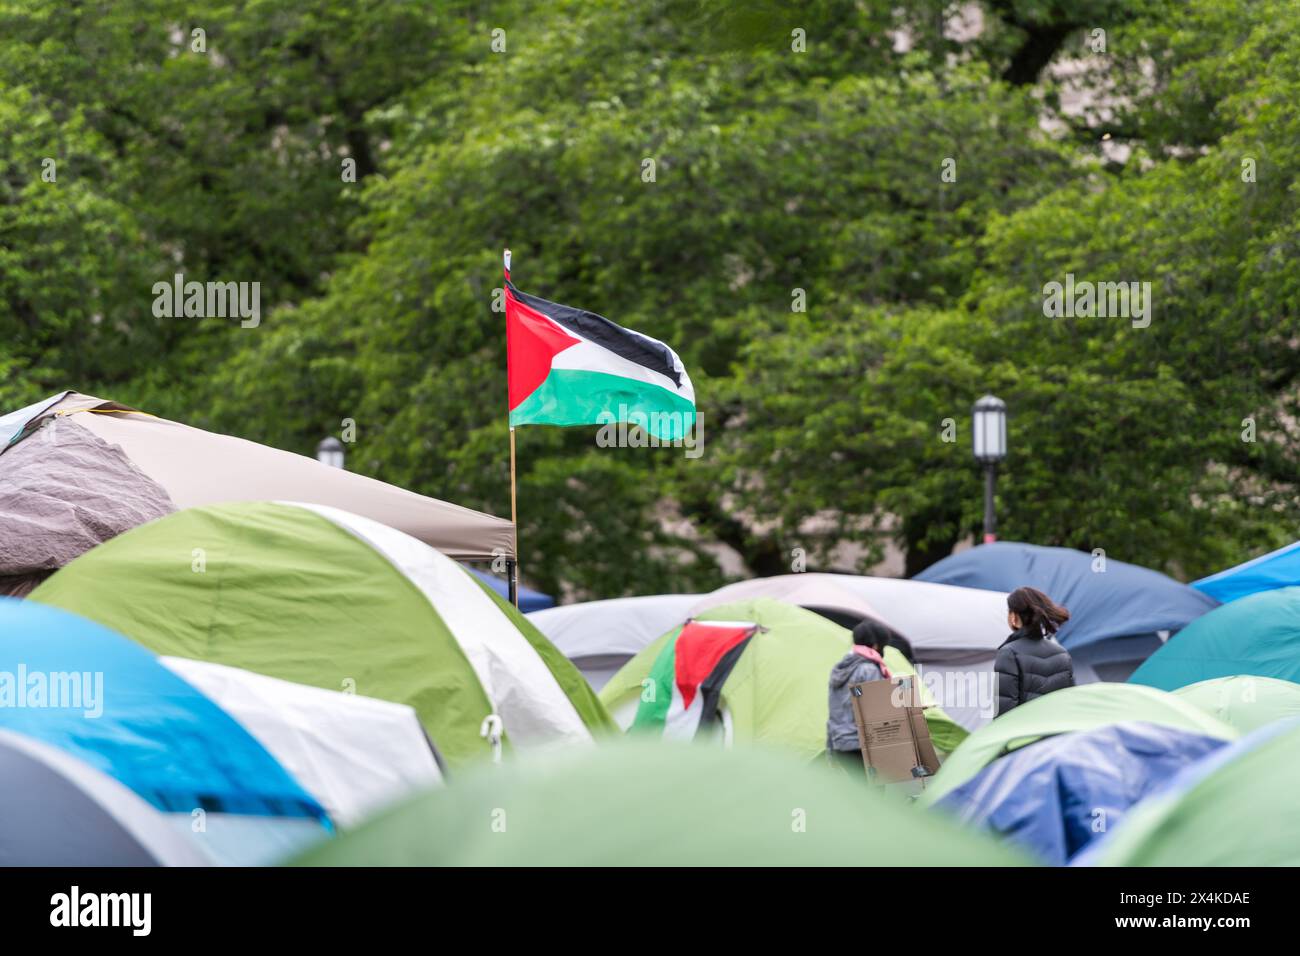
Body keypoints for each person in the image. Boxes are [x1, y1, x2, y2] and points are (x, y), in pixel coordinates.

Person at [825, 618, 903, 771]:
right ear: (875, 645)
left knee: (855, 793)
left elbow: (838, 707)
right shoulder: (869, 670)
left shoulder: (840, 669)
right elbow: (875, 710)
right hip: (861, 744)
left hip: (840, 743)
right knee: (873, 793)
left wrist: (830, 749)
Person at [995, 586, 1074, 717]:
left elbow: (1004, 712)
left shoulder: (1009, 653)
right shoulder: (1062, 653)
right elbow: (1070, 703)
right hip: (1056, 733)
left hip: (1025, 734)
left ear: (1014, 616)